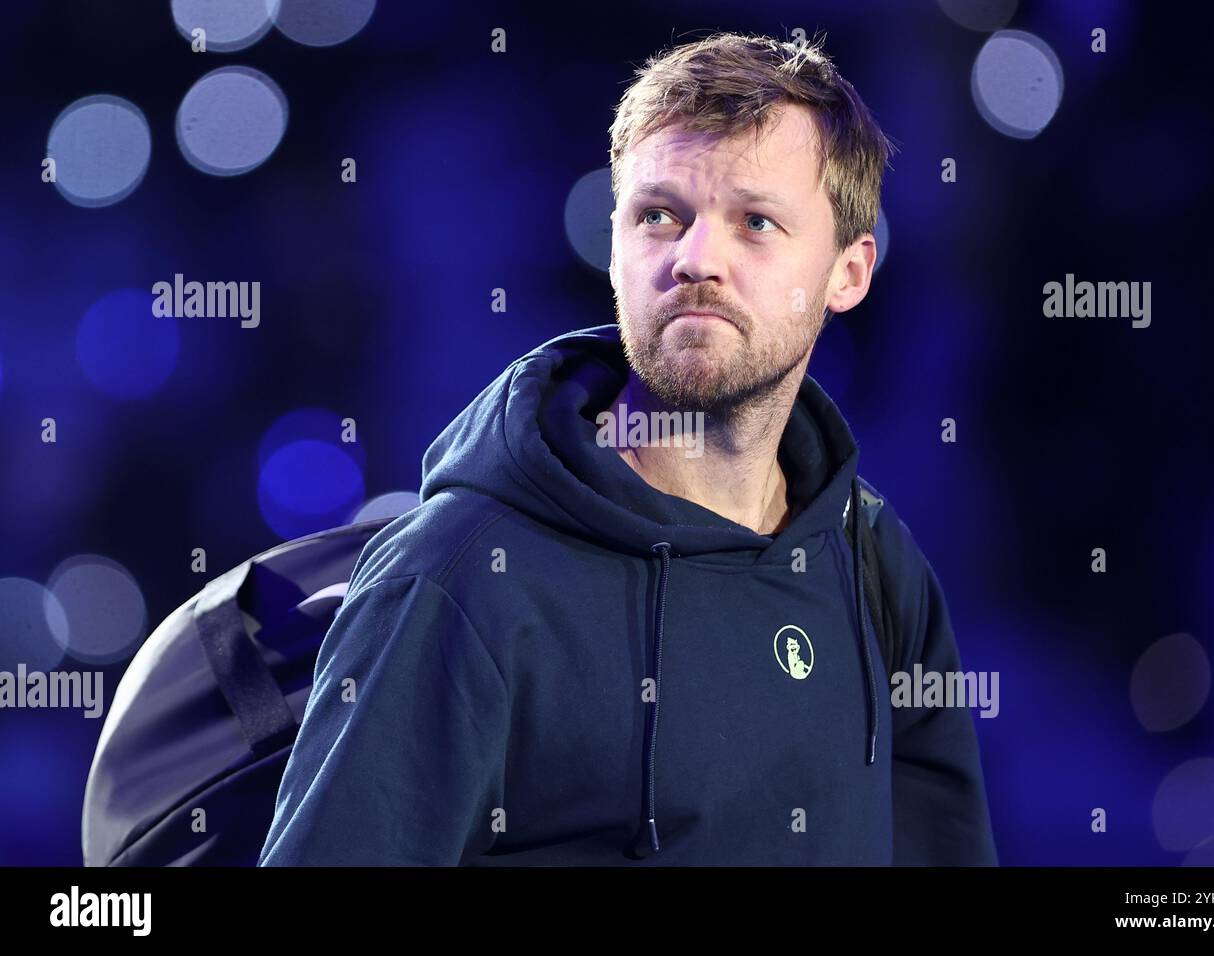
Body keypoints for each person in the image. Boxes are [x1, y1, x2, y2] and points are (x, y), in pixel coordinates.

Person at [259, 31, 997, 866]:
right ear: (614, 245)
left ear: (848, 274)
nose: (694, 259)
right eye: (659, 216)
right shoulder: (457, 580)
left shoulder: (872, 560)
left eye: (755, 222)